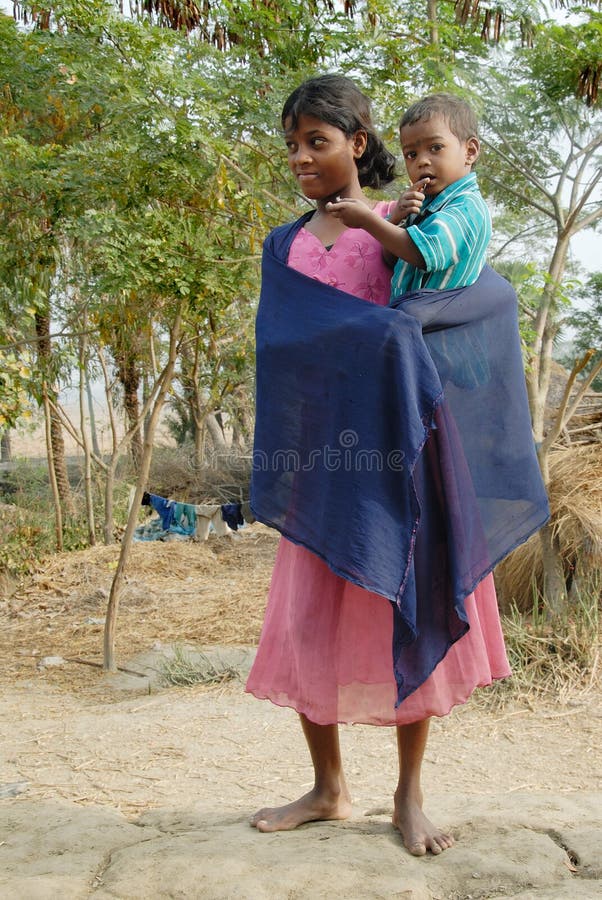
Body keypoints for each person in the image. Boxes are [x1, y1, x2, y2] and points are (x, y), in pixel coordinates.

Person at [245, 76, 521, 857]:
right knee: (309, 618)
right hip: (322, 457)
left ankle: (408, 795)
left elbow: (457, 308)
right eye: (292, 144)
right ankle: (329, 787)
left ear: (357, 145)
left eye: (317, 141)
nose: (301, 157)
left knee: (410, 607)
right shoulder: (284, 247)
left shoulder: (399, 226)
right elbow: (281, 346)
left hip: (400, 452)